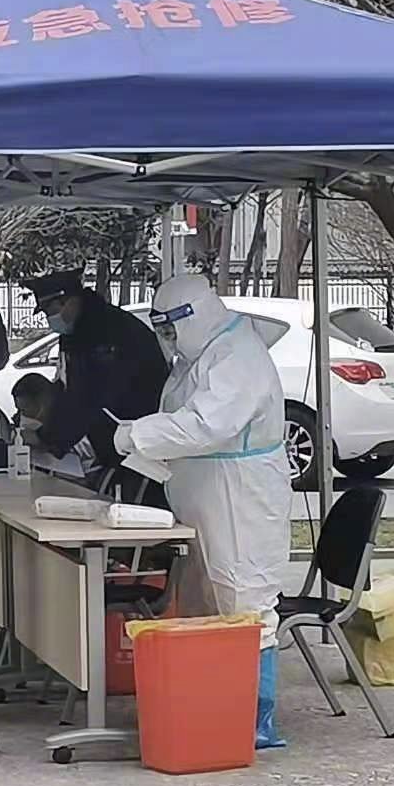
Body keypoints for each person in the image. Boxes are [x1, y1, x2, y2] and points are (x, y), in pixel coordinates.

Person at [112, 273, 291, 750]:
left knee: (244, 601)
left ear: (193, 317)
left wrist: (139, 435)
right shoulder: (199, 356)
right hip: (204, 494)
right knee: (200, 603)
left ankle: (254, 717)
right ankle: (207, 704)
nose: (166, 340)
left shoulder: (238, 355)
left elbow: (207, 425)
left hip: (240, 498)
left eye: (171, 329)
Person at [22, 269, 170, 503]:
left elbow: (88, 399)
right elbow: (68, 388)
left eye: (52, 310)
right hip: (113, 447)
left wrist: (50, 439)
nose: (50, 319)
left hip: (138, 446)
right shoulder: (76, 331)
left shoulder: (106, 333)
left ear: (71, 301)